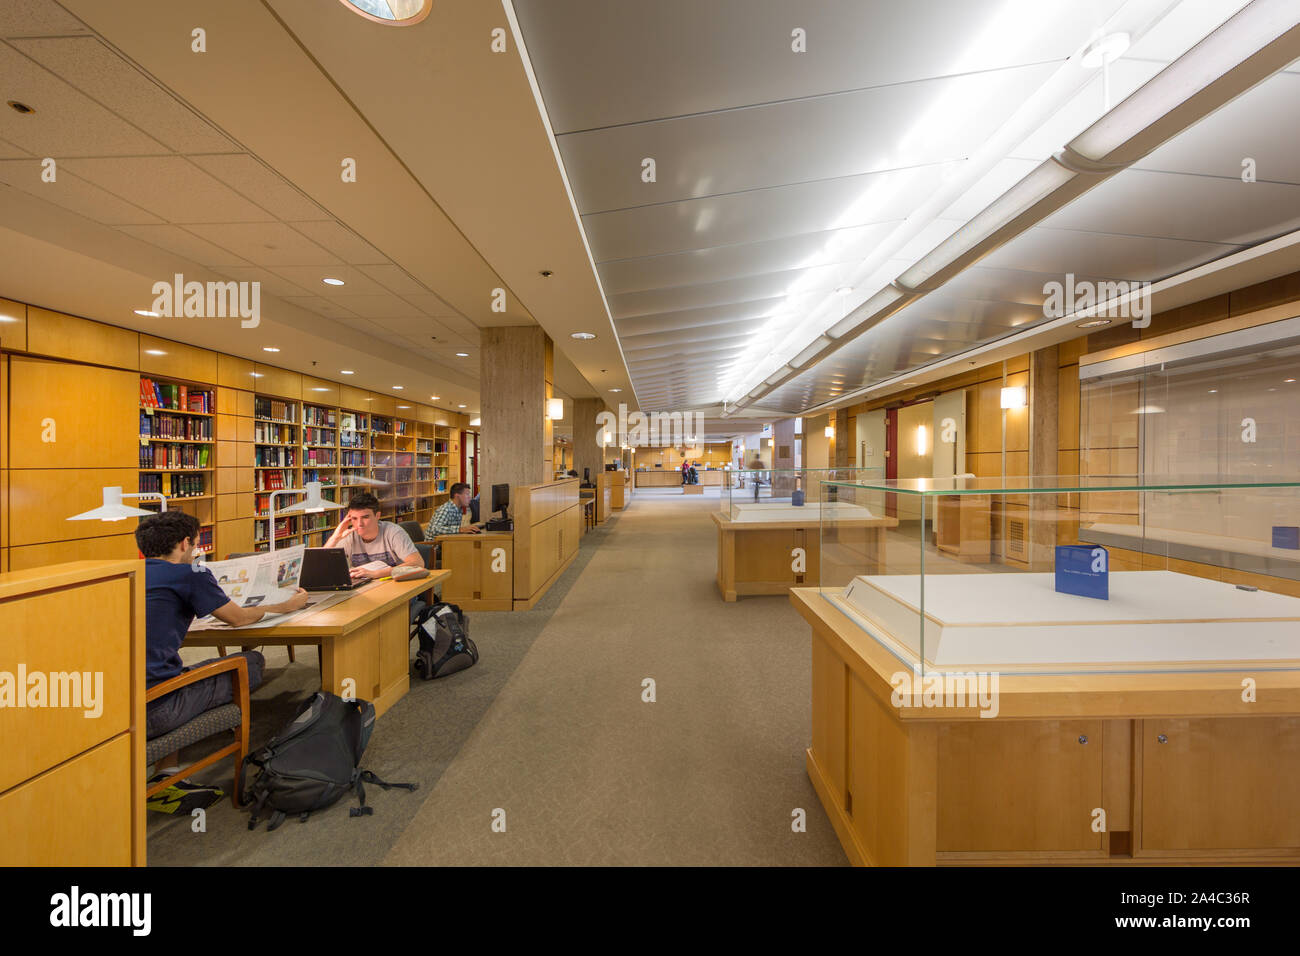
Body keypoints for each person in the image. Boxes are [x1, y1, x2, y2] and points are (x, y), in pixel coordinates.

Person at [137, 511, 308, 740]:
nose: (194, 553)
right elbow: (239, 619)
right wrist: (288, 605)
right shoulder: (190, 574)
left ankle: (169, 766)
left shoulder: (127, 574)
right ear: (184, 543)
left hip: (120, 708)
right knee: (252, 663)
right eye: (195, 546)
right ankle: (207, 725)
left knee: (184, 668)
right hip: (158, 708)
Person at [323, 491, 425, 580]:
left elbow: (418, 563)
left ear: (377, 516)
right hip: (367, 589)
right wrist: (335, 538)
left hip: (396, 586)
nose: (359, 524)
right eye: (354, 519)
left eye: (365, 517)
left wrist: (376, 574)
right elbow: (319, 564)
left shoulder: (393, 532)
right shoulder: (350, 536)